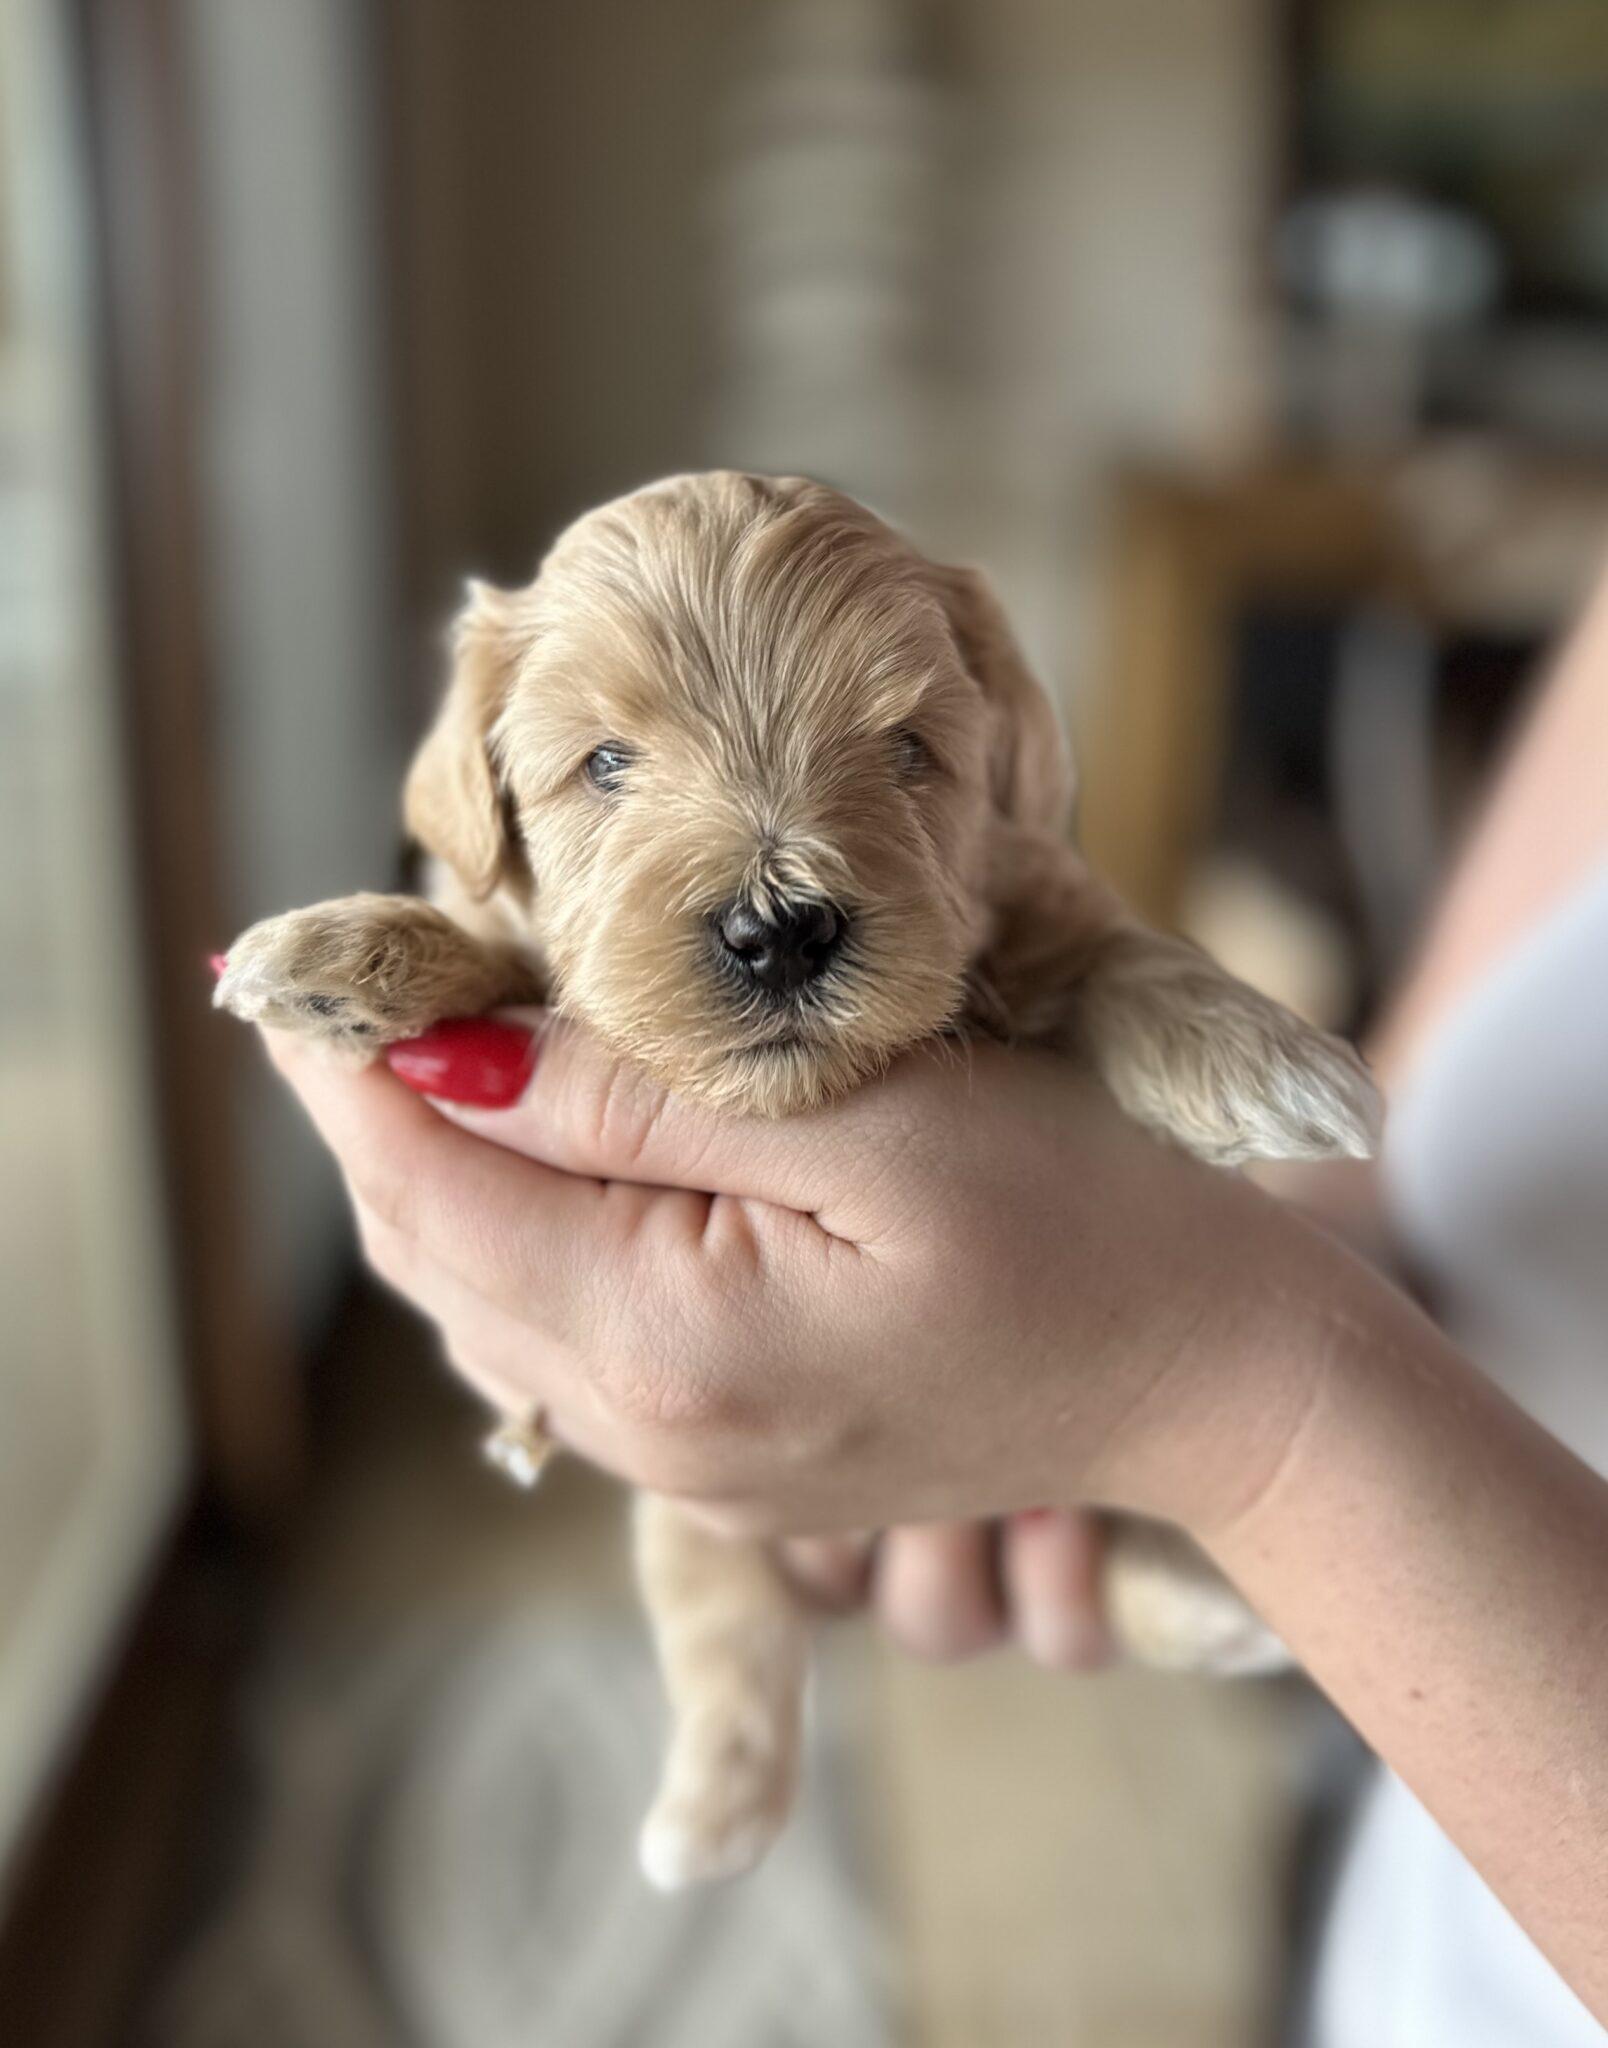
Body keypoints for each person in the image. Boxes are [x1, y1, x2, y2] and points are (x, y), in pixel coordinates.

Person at [257, 562, 1608, 2038]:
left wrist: (1243, 1427)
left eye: (902, 750)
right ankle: (745, 1712)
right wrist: (1344, 1212)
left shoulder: (1004, 889)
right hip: (1418, 1834)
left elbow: (1087, 985)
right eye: (610, 766)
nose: (775, 894)